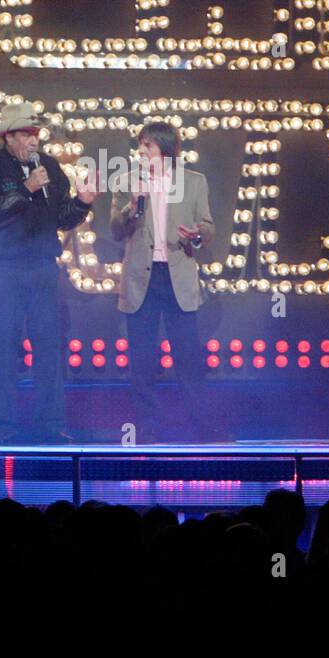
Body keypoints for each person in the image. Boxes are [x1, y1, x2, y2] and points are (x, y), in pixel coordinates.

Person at [0, 100, 97, 444]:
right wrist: (24, 190)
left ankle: (50, 424)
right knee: (5, 347)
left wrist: (82, 203)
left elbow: (61, 218)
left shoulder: (50, 168)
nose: (34, 139)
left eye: (36, 133)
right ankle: (5, 427)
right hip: (6, 270)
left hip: (43, 269)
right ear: (9, 137)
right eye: (27, 133)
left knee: (49, 347)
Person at [109, 121, 219, 443]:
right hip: (141, 278)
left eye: (149, 145)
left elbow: (208, 228)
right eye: (141, 144)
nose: (142, 151)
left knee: (188, 357)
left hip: (177, 276)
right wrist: (133, 205)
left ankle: (201, 427)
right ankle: (148, 429)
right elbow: (116, 230)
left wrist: (197, 235)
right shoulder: (127, 182)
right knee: (142, 360)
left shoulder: (194, 182)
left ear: (167, 150)